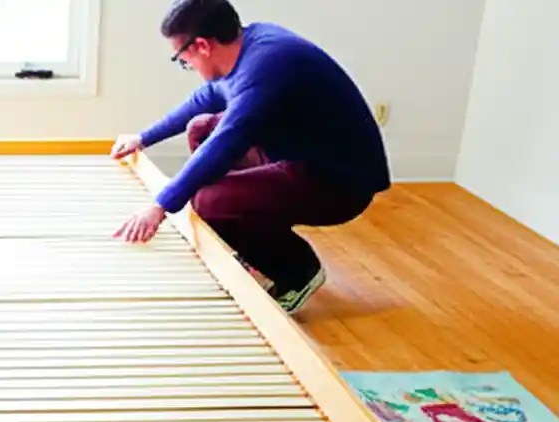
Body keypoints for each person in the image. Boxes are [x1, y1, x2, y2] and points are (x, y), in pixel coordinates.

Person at [110, 0, 391, 313]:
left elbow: (227, 141)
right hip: (293, 154)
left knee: (210, 202)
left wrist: (159, 207)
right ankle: (250, 237)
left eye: (183, 59)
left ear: (202, 46)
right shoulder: (248, 46)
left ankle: (298, 271)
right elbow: (207, 98)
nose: (187, 66)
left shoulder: (268, 65)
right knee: (201, 129)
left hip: (337, 182)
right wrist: (143, 138)